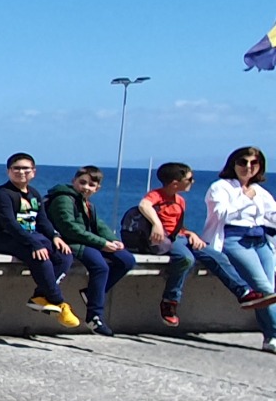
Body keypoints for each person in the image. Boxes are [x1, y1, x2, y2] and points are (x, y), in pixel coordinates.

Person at [0, 153, 79, 327]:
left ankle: (39, 296)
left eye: (26, 168)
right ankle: (59, 302)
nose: (21, 172)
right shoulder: (2, 195)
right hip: (3, 237)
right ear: (8, 171)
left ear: (34, 171)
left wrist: (55, 237)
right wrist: (34, 244)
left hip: (30, 236)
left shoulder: (34, 194)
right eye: (16, 168)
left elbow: (42, 221)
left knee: (65, 255)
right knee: (41, 258)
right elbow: (9, 224)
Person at [200, 146, 276, 352]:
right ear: (233, 164)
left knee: (270, 288)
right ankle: (273, 335)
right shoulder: (220, 187)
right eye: (243, 162)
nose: (248, 167)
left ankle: (270, 336)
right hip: (234, 239)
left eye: (254, 163)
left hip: (260, 239)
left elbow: (271, 214)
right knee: (264, 288)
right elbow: (221, 213)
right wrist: (246, 202)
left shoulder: (260, 191)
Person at [44, 166, 131, 336]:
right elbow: (69, 228)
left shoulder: (86, 203)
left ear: (97, 188)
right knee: (100, 266)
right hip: (69, 242)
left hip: (86, 241)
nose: (86, 187)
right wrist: (101, 243)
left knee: (126, 260)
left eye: (91, 185)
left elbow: (99, 225)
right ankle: (94, 316)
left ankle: (92, 293)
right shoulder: (63, 199)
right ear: (74, 181)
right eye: (82, 182)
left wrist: (113, 240)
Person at [135, 162, 209, 326]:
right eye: (190, 179)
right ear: (175, 183)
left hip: (179, 237)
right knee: (186, 259)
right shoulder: (157, 195)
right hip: (165, 239)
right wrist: (157, 224)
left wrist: (191, 234)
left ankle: (244, 292)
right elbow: (144, 205)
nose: (193, 182)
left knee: (213, 254)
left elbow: (178, 226)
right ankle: (170, 300)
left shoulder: (180, 201)